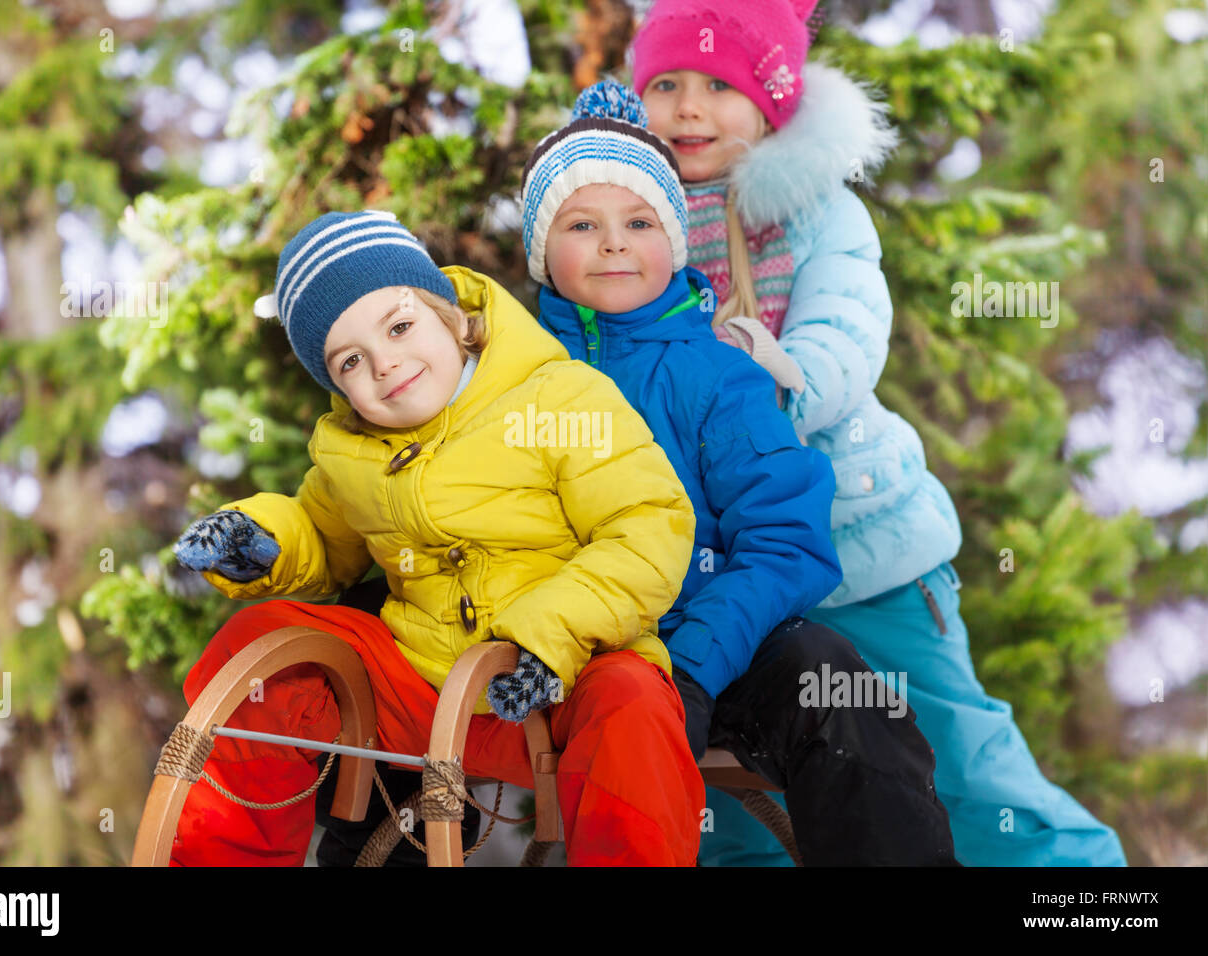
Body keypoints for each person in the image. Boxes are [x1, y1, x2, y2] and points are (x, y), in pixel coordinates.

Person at [629, 0, 1126, 866]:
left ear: (773, 102)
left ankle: (1080, 885)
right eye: (665, 84)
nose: (687, 108)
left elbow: (847, 329)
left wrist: (776, 378)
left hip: (866, 551)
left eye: (718, 85)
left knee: (962, 768)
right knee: (741, 809)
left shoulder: (817, 211)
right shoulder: (632, 225)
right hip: (729, 581)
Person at [169, 209, 705, 866]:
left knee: (635, 709)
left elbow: (648, 524)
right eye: (351, 362)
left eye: (399, 327)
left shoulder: (560, 400)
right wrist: (262, 541)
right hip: (420, 682)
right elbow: (322, 534)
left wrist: (550, 636)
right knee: (263, 648)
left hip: (565, 675)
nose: (386, 364)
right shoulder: (355, 454)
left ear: (449, 314)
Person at [520, 79, 958, 865]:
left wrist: (692, 663)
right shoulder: (517, 382)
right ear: (542, 252)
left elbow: (785, 539)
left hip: (711, 649)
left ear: (675, 239)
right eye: (582, 223)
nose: (614, 243)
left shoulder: (720, 374)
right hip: (569, 658)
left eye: (640, 221)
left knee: (838, 686)